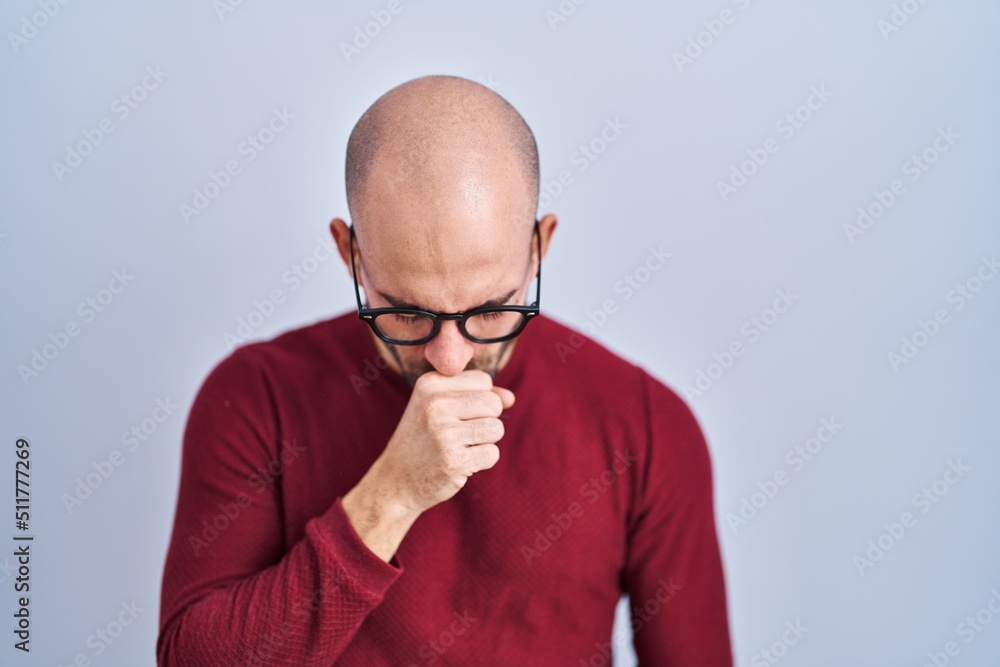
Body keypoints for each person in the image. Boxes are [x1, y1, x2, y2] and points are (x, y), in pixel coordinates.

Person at [157, 74, 733, 666]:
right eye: (407, 313)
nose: (450, 359)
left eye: (490, 310)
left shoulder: (646, 423)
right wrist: (393, 494)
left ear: (539, 247)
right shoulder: (256, 396)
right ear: (348, 252)